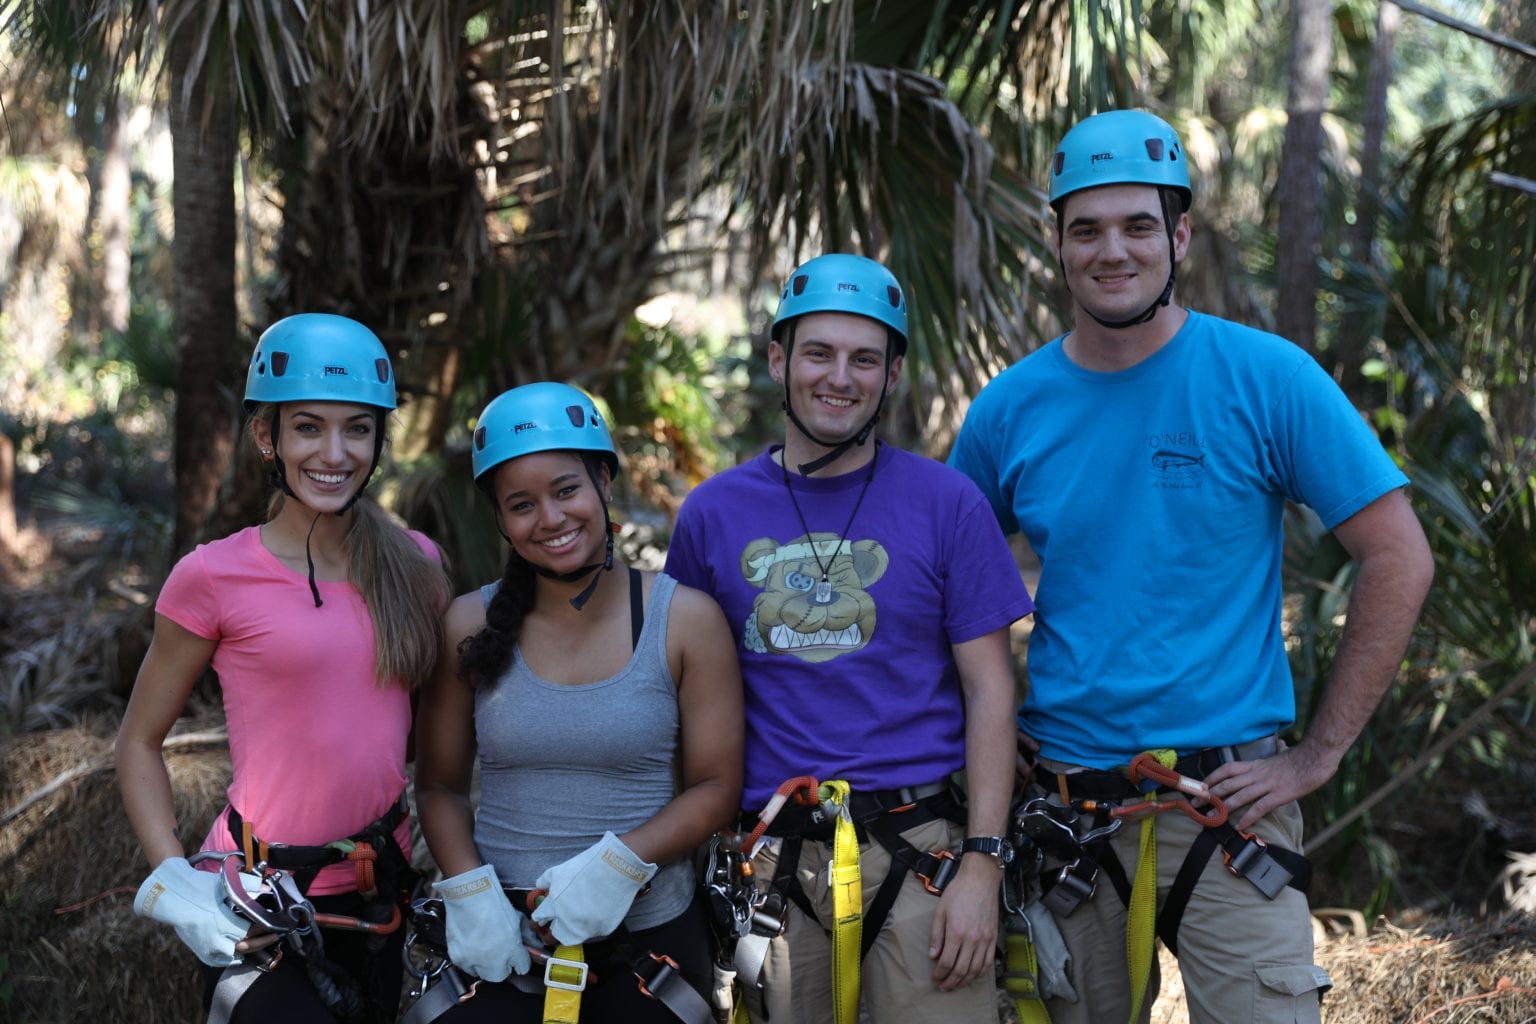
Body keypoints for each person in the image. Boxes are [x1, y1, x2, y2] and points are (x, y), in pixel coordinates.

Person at [947, 108, 1436, 1024]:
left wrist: (1317, 754)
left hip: (1229, 811)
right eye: (1085, 228)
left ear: (1178, 236)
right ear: (1057, 243)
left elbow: (1398, 556)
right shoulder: (1010, 410)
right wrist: (983, 722)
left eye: (1139, 226)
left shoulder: (1264, 377)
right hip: (1068, 812)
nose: (1112, 251)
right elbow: (946, 585)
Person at [663, 253, 1036, 1024]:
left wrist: (983, 866)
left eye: (866, 358)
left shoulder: (946, 503)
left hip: (921, 850)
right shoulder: (712, 515)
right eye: (819, 353)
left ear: (892, 373)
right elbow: (678, 693)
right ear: (779, 359)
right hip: (776, 859)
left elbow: (990, 689)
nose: (840, 377)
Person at [117, 313, 451, 1023]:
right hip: (254, 904)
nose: (335, 452)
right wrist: (171, 875)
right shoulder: (212, 576)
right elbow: (138, 741)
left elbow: (409, 736)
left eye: (357, 428)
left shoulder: (417, 564)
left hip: (377, 894)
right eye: (307, 427)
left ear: (379, 437)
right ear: (266, 436)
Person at [413, 381, 744, 1023]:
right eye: (521, 505)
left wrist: (625, 861)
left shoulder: (683, 620)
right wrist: (470, 891)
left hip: (649, 948)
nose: (552, 519)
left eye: (567, 490)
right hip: (505, 948)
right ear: (502, 521)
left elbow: (715, 785)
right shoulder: (467, 623)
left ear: (603, 482)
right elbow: (439, 787)